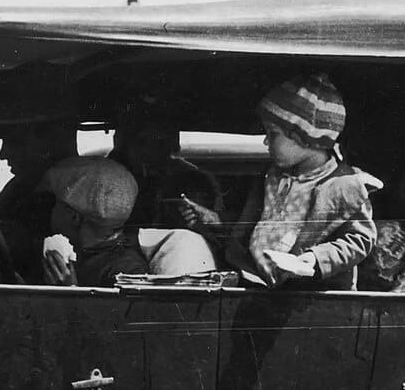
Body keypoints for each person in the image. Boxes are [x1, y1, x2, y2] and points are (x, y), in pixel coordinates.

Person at [181, 73, 377, 288]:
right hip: (258, 283)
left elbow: (360, 240)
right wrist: (216, 222)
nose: (266, 140)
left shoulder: (345, 185)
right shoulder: (272, 177)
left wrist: (315, 259)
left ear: (305, 137)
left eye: (273, 134)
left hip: (308, 298)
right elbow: (259, 223)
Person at [0, 118, 77, 281]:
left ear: (49, 143)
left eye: (15, 142)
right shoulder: (15, 191)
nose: (3, 154)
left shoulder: (77, 196)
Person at [40, 157, 150, 287]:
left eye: (56, 204)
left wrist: (70, 291)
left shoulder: (128, 273)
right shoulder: (81, 254)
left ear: (74, 217)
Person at [109, 114, 221, 230]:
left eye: (160, 143)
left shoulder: (195, 179)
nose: (150, 151)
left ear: (172, 143)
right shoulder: (111, 179)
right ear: (127, 145)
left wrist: (203, 221)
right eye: (142, 142)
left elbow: (214, 225)